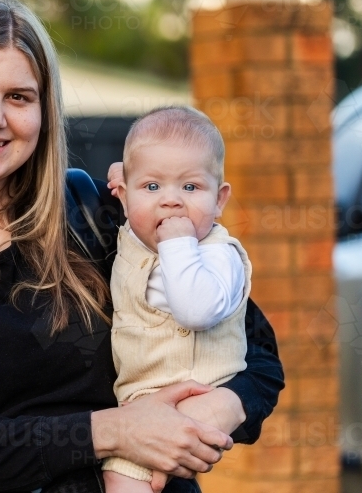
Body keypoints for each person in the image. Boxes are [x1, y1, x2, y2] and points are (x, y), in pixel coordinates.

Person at [0, 0, 284, 493]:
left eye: (18, 97)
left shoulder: (95, 216)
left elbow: (256, 352)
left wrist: (206, 414)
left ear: (44, 111)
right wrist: (115, 431)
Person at [101, 107, 253, 492]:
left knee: (122, 478)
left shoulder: (215, 254)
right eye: (152, 187)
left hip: (195, 396)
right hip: (140, 401)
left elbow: (196, 311)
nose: (170, 201)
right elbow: (140, 186)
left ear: (219, 200)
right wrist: (128, 176)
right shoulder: (136, 233)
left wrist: (179, 244)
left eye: (190, 188)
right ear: (124, 195)